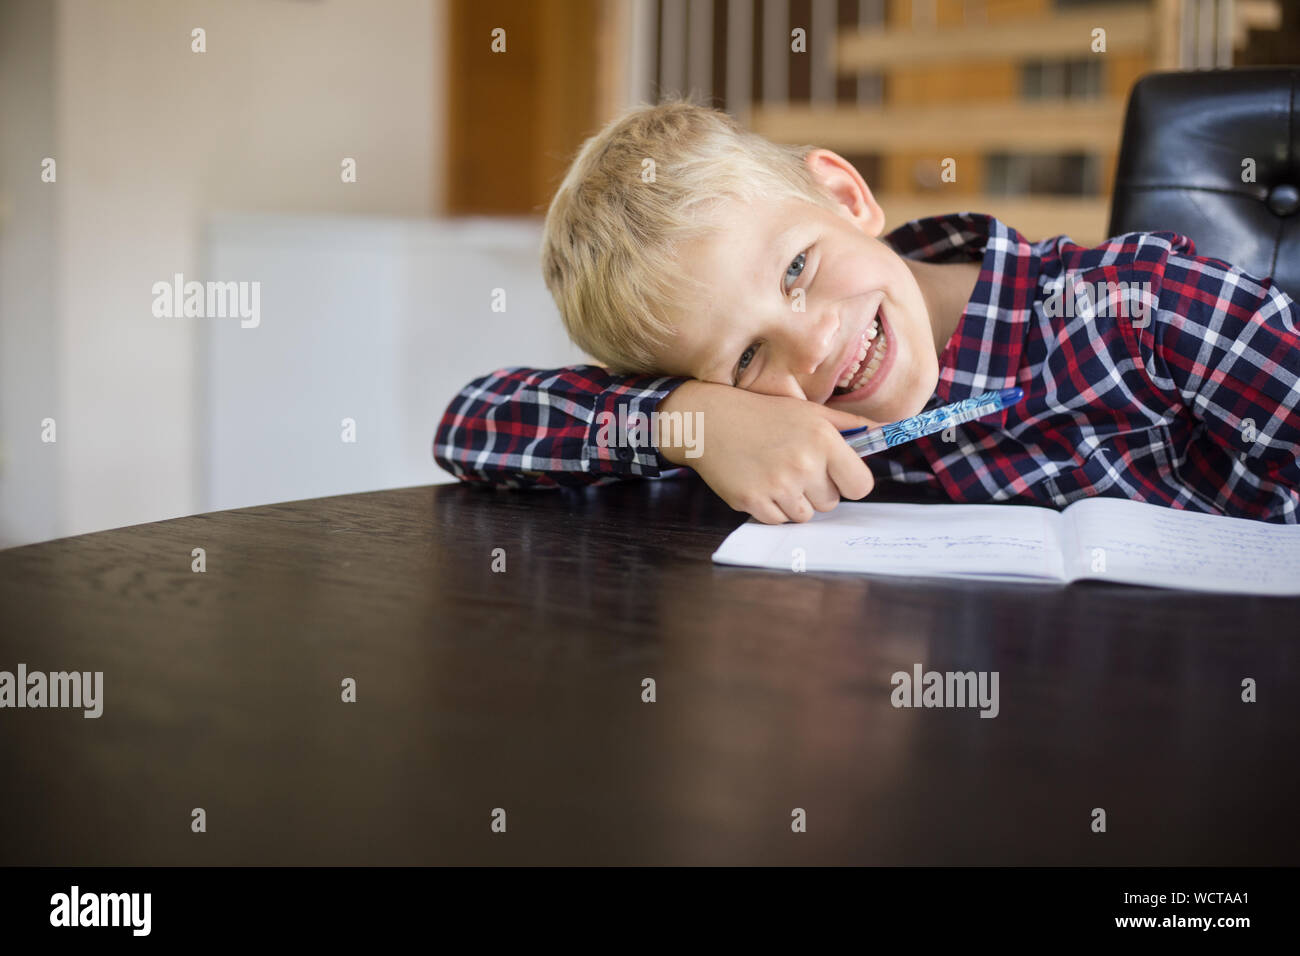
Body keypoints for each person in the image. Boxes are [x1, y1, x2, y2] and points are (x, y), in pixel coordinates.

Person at [434, 98, 1300, 525]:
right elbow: (470, 423)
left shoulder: (1144, 308)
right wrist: (689, 422)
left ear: (845, 196)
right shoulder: (757, 429)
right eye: (745, 359)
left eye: (799, 269)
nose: (811, 346)